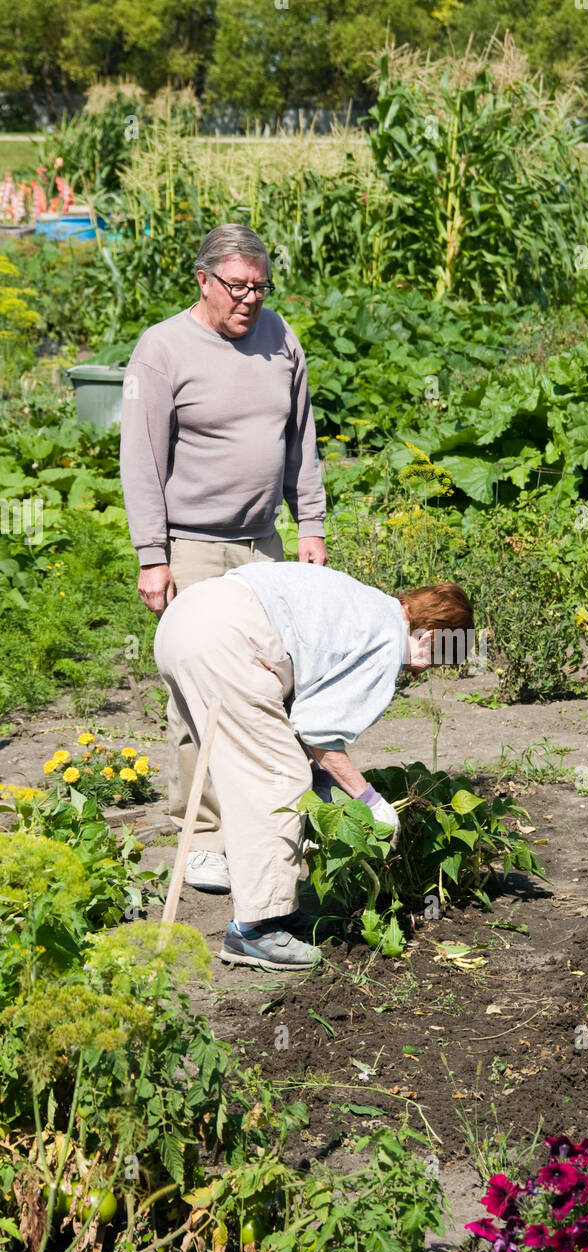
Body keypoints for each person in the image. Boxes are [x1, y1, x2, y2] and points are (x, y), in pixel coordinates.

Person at [119, 224, 327, 896]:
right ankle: (203, 836)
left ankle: (265, 827)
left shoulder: (280, 338)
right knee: (200, 696)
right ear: (202, 280)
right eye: (236, 286)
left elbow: (302, 442)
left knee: (273, 688)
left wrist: (311, 526)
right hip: (194, 546)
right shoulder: (162, 349)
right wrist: (154, 555)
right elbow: (142, 462)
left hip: (262, 545)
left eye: (259, 287)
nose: (249, 300)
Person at [154, 562, 473, 971]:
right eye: (437, 657)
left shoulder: (370, 607)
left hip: (187, 620)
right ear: (430, 635)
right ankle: (254, 931)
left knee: (247, 771)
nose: (424, 670)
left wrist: (320, 773)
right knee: (277, 778)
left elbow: (304, 714)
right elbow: (321, 734)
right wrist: (370, 800)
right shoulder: (389, 639)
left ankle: (273, 911)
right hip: (227, 639)